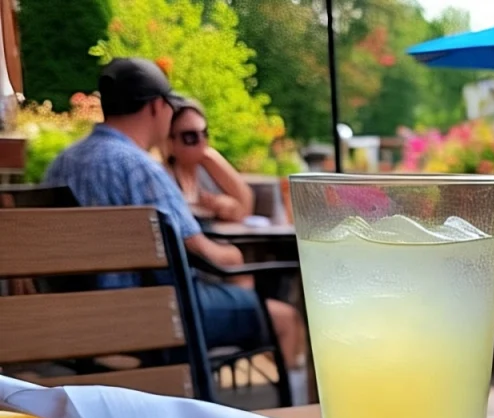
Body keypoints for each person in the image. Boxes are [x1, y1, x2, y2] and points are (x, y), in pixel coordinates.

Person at [43, 58, 305, 398]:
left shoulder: (60, 165)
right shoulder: (139, 168)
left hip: (78, 320)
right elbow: (202, 251)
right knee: (285, 317)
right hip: (154, 316)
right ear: (156, 107)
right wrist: (233, 254)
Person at [165, 98, 253, 223]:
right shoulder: (162, 172)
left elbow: (246, 206)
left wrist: (226, 207)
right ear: (169, 141)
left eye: (204, 133)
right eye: (190, 136)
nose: (201, 141)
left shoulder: (208, 161)